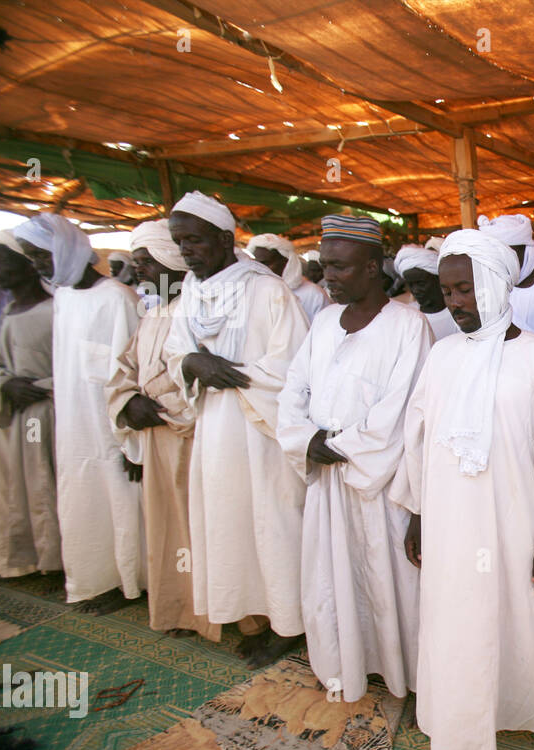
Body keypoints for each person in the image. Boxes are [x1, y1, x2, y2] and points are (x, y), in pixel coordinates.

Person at [389, 229, 534, 750]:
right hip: (450, 522)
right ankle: (462, 713)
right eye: (448, 292)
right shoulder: (443, 355)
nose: (454, 303)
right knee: (457, 617)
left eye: (465, 290)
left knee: (520, 619)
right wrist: (418, 514)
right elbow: (418, 443)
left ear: (495, 284)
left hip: (515, 523)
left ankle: (522, 710)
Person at [277, 215, 428, 701]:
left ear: (372, 268)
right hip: (327, 477)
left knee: (391, 584)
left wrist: (338, 447)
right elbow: (293, 389)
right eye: (325, 267)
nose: (329, 278)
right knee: (333, 579)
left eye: (340, 268)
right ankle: (348, 666)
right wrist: (305, 439)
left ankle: (404, 675)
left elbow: (401, 411)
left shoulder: (409, 325)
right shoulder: (322, 322)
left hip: (380, 485)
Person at [162, 191, 310, 668]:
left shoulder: (267, 290)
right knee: (229, 522)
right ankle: (251, 612)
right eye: (179, 241)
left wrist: (235, 375)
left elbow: (294, 367)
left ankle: (289, 623)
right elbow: (174, 351)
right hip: (214, 430)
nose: (186, 250)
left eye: (194, 239)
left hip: (260, 432)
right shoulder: (189, 289)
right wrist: (193, 362)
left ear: (225, 239)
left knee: (273, 523)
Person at [15, 213, 144, 614]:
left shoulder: (118, 298)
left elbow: (132, 375)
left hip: (112, 430)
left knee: (122, 504)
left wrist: (131, 441)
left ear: (66, 249)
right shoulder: (65, 298)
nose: (37, 264)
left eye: (41, 254)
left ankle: (131, 582)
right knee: (81, 503)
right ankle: (96, 579)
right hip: (74, 428)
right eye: (31, 257)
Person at [107, 220, 220, 641]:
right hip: (156, 440)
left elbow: (216, 379)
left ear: (169, 262)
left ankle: (218, 614)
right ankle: (181, 610)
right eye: (136, 263)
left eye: (146, 262)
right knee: (168, 529)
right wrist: (129, 403)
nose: (140, 271)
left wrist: (169, 411)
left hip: (195, 440)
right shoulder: (152, 315)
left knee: (203, 528)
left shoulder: (203, 311)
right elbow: (123, 371)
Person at [0, 230, 58, 579]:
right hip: (25, 415)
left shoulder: (55, 309)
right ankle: (40, 557)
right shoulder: (11, 311)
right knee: (31, 484)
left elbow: (80, 366)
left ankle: (61, 559)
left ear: (29, 266)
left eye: (0, 260)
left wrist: (42, 387)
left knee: (52, 483)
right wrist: (8, 384)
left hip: (53, 412)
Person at [247, 234, 330, 321]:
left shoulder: (313, 294)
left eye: (266, 263)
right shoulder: (255, 292)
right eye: (258, 263)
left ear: (286, 262)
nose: (261, 268)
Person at [394, 244, 457, 340]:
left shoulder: (458, 314)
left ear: (438, 279)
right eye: (411, 285)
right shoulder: (406, 315)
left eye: (421, 283)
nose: (415, 290)